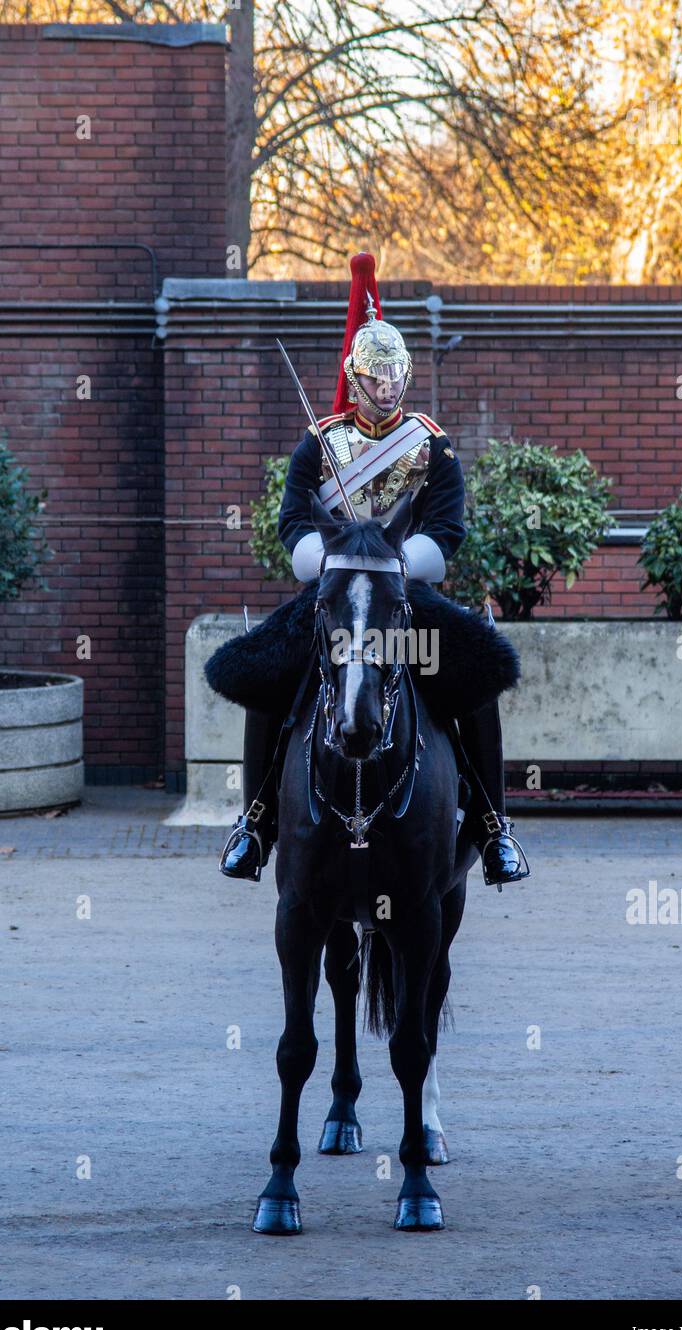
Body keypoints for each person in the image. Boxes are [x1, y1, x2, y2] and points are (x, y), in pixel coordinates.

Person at [217, 252, 529, 888]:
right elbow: (292, 521)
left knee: (478, 673)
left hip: (405, 599)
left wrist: (394, 564)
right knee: (265, 676)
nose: (385, 390)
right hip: (331, 596)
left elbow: (447, 529)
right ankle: (254, 822)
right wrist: (326, 559)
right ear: (353, 379)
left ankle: (495, 825)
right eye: (374, 379)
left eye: (394, 378)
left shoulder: (431, 445)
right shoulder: (320, 440)